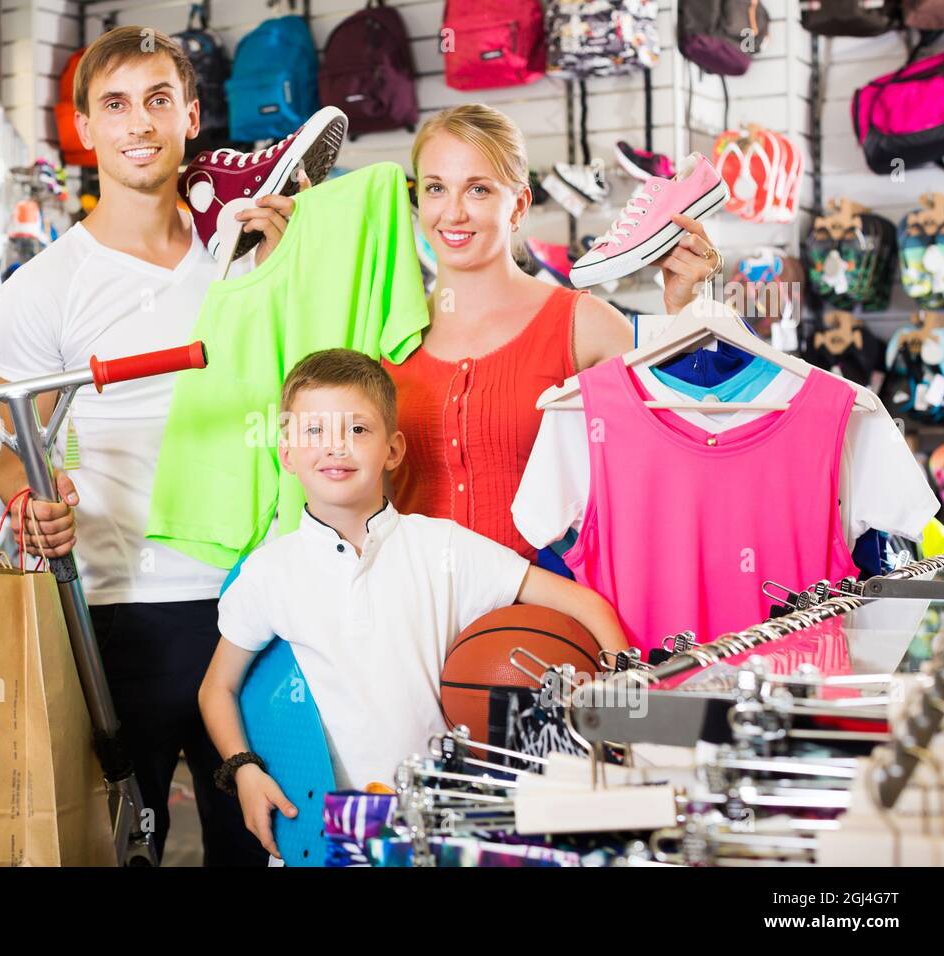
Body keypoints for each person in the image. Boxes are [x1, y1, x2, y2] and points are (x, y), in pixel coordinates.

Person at [0, 26, 301, 866]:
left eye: (159, 100)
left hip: (257, 603)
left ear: (192, 116)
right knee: (122, 850)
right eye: (115, 105)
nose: (139, 123)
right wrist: (29, 501)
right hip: (118, 616)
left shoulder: (243, 261)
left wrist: (287, 269)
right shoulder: (41, 290)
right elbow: (16, 450)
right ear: (85, 127)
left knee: (261, 846)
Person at [199, 349, 628, 860]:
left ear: (393, 449)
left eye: (357, 430)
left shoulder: (444, 547)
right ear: (286, 452)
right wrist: (243, 769)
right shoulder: (269, 572)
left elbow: (584, 604)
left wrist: (623, 703)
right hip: (323, 831)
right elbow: (216, 688)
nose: (336, 446)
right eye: (314, 431)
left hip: (440, 823)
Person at [386, 105, 723, 560]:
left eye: (479, 189)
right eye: (435, 188)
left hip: (543, 620)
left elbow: (681, 456)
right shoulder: (388, 338)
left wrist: (683, 309)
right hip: (412, 617)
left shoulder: (586, 328)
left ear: (519, 206)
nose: (453, 212)